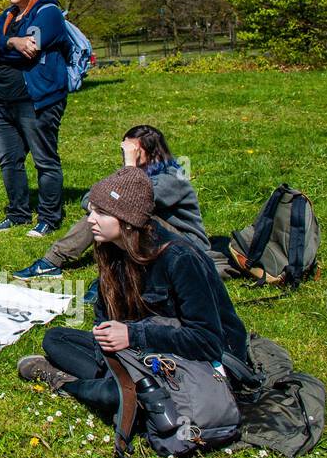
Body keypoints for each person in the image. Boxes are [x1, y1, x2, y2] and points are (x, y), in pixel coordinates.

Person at [16, 167, 248, 421]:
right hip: (144, 353)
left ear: (128, 220)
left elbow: (207, 340)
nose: (90, 219)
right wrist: (106, 336)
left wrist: (131, 335)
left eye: (101, 213)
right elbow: (104, 314)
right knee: (55, 339)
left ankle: (66, 384)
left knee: (118, 394)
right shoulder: (111, 248)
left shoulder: (179, 259)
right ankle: (117, 380)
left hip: (198, 364)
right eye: (92, 210)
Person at [14, 125, 216, 300]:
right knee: (105, 212)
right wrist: (102, 205)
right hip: (156, 239)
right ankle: (52, 261)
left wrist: (113, 193)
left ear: (150, 150)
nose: (126, 154)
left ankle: (112, 280)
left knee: (122, 213)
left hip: (189, 247)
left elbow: (129, 202)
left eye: (133, 149)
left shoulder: (173, 176)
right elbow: (91, 197)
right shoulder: (135, 174)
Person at [0, 0, 70, 237]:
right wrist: (12, 43)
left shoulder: (49, 12)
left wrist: (8, 48)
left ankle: (49, 218)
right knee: (9, 160)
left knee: (45, 160)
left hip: (38, 99)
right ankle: (18, 213)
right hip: (5, 101)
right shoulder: (9, 15)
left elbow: (32, 48)